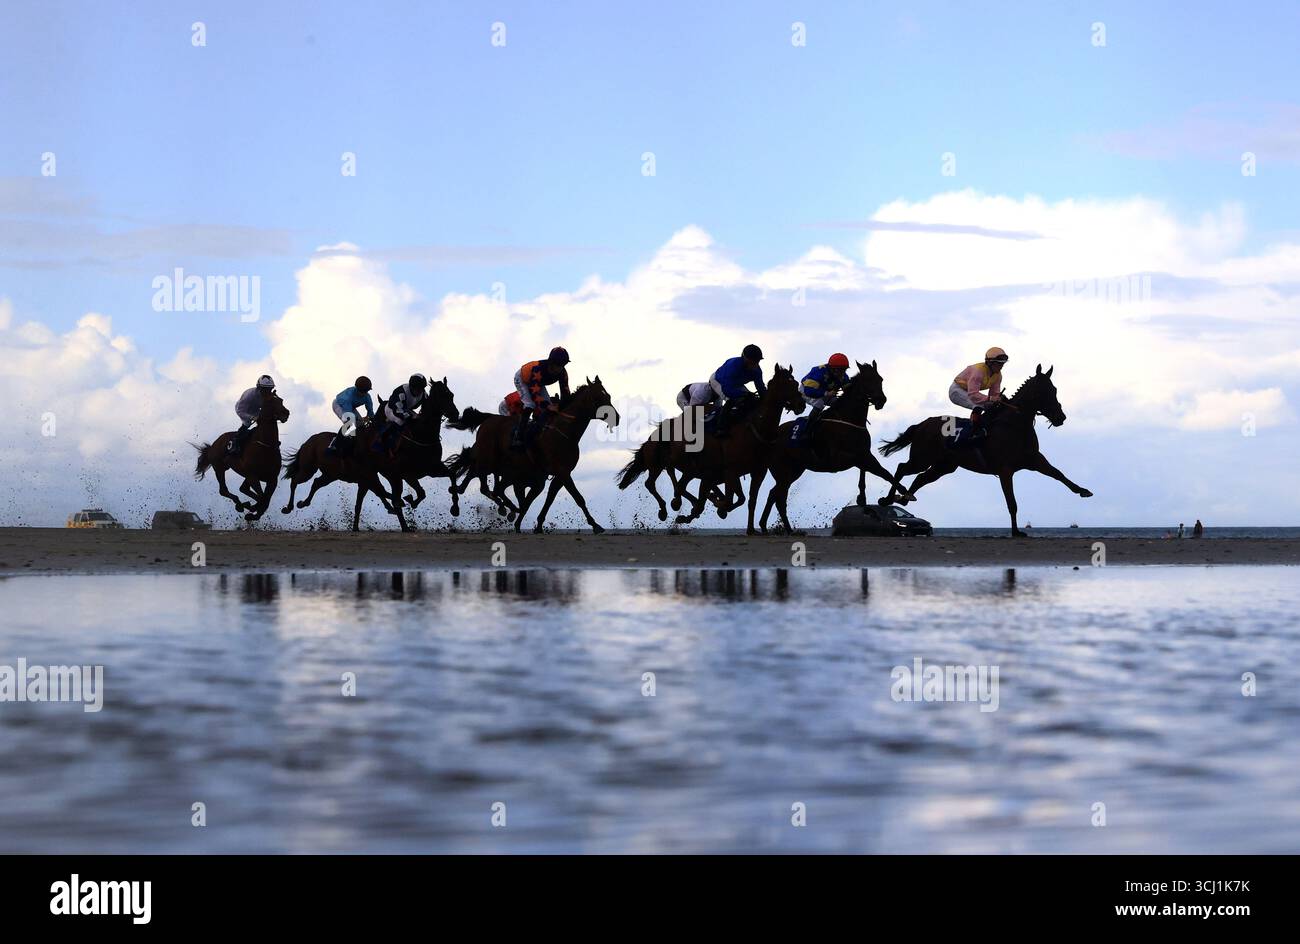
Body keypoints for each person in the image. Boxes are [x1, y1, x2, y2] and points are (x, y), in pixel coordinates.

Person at [512, 347, 571, 448]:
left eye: (563, 365)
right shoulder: (538, 369)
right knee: (530, 404)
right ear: (551, 362)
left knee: (548, 407)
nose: (560, 368)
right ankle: (518, 436)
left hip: (538, 382)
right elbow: (534, 394)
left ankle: (536, 430)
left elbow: (565, 394)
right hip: (522, 379)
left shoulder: (563, 373)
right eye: (558, 364)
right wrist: (548, 405)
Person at [709, 344, 766, 437]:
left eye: (757, 361)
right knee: (731, 400)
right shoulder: (732, 366)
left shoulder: (757, 370)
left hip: (736, 384)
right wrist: (744, 394)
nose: (756, 364)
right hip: (719, 381)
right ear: (745, 358)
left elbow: (760, 387)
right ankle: (720, 428)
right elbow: (727, 390)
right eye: (753, 361)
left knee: (752, 399)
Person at [373, 373, 427, 454]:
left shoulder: (424, 394)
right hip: (391, 409)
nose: (419, 391)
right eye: (417, 388)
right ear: (411, 386)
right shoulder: (401, 391)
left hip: (406, 409)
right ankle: (380, 441)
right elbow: (398, 410)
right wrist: (409, 417)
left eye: (421, 389)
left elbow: (427, 407)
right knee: (400, 421)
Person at [799, 353, 851, 435]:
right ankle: (807, 430)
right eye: (840, 370)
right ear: (832, 368)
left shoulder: (843, 376)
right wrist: (826, 393)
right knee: (819, 403)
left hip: (825, 393)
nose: (842, 373)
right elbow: (808, 390)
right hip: (806, 391)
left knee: (839, 403)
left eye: (844, 370)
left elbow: (849, 391)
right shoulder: (818, 371)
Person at [227, 374, 276, 454]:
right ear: (259, 388)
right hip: (243, 410)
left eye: (269, 389)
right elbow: (240, 411)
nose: (267, 392)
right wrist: (252, 417)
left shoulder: (269, 395)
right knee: (247, 423)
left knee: (265, 422)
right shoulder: (249, 395)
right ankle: (235, 442)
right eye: (265, 390)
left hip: (256, 409)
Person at [327, 376, 374, 454]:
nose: (365, 393)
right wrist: (360, 419)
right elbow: (349, 415)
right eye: (363, 391)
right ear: (357, 389)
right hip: (338, 405)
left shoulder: (367, 396)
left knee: (361, 425)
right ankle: (334, 444)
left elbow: (370, 412)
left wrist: (371, 418)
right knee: (351, 424)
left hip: (351, 407)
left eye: (366, 391)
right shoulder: (347, 397)